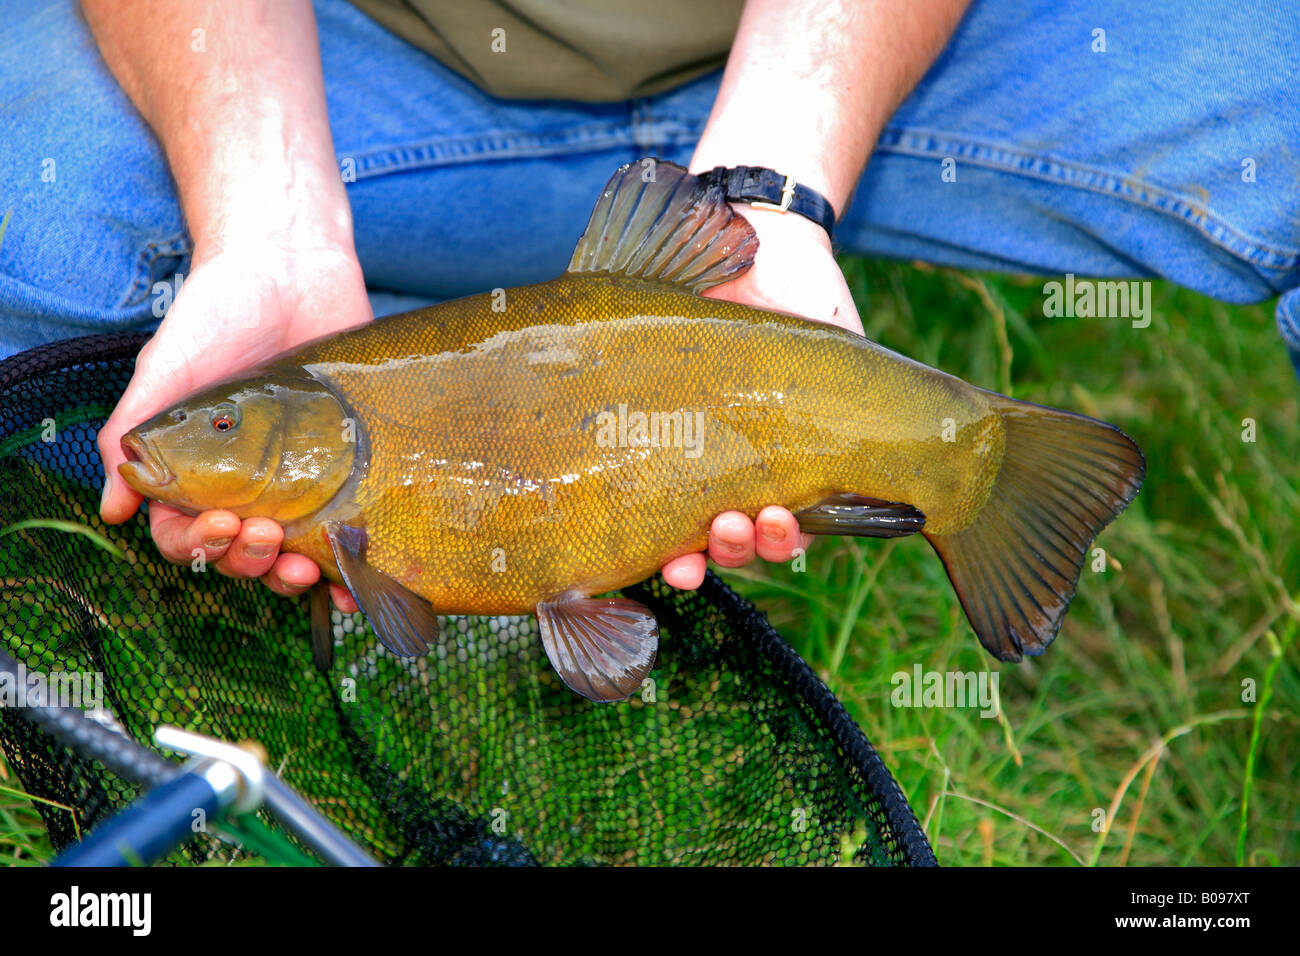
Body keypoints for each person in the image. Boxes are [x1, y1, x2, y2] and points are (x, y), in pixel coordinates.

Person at [2, 0, 1296, 613]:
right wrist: (264, 218)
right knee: (29, 203)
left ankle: (979, 458)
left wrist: (771, 182)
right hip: (381, 62)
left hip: (893, 48)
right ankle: (358, 276)